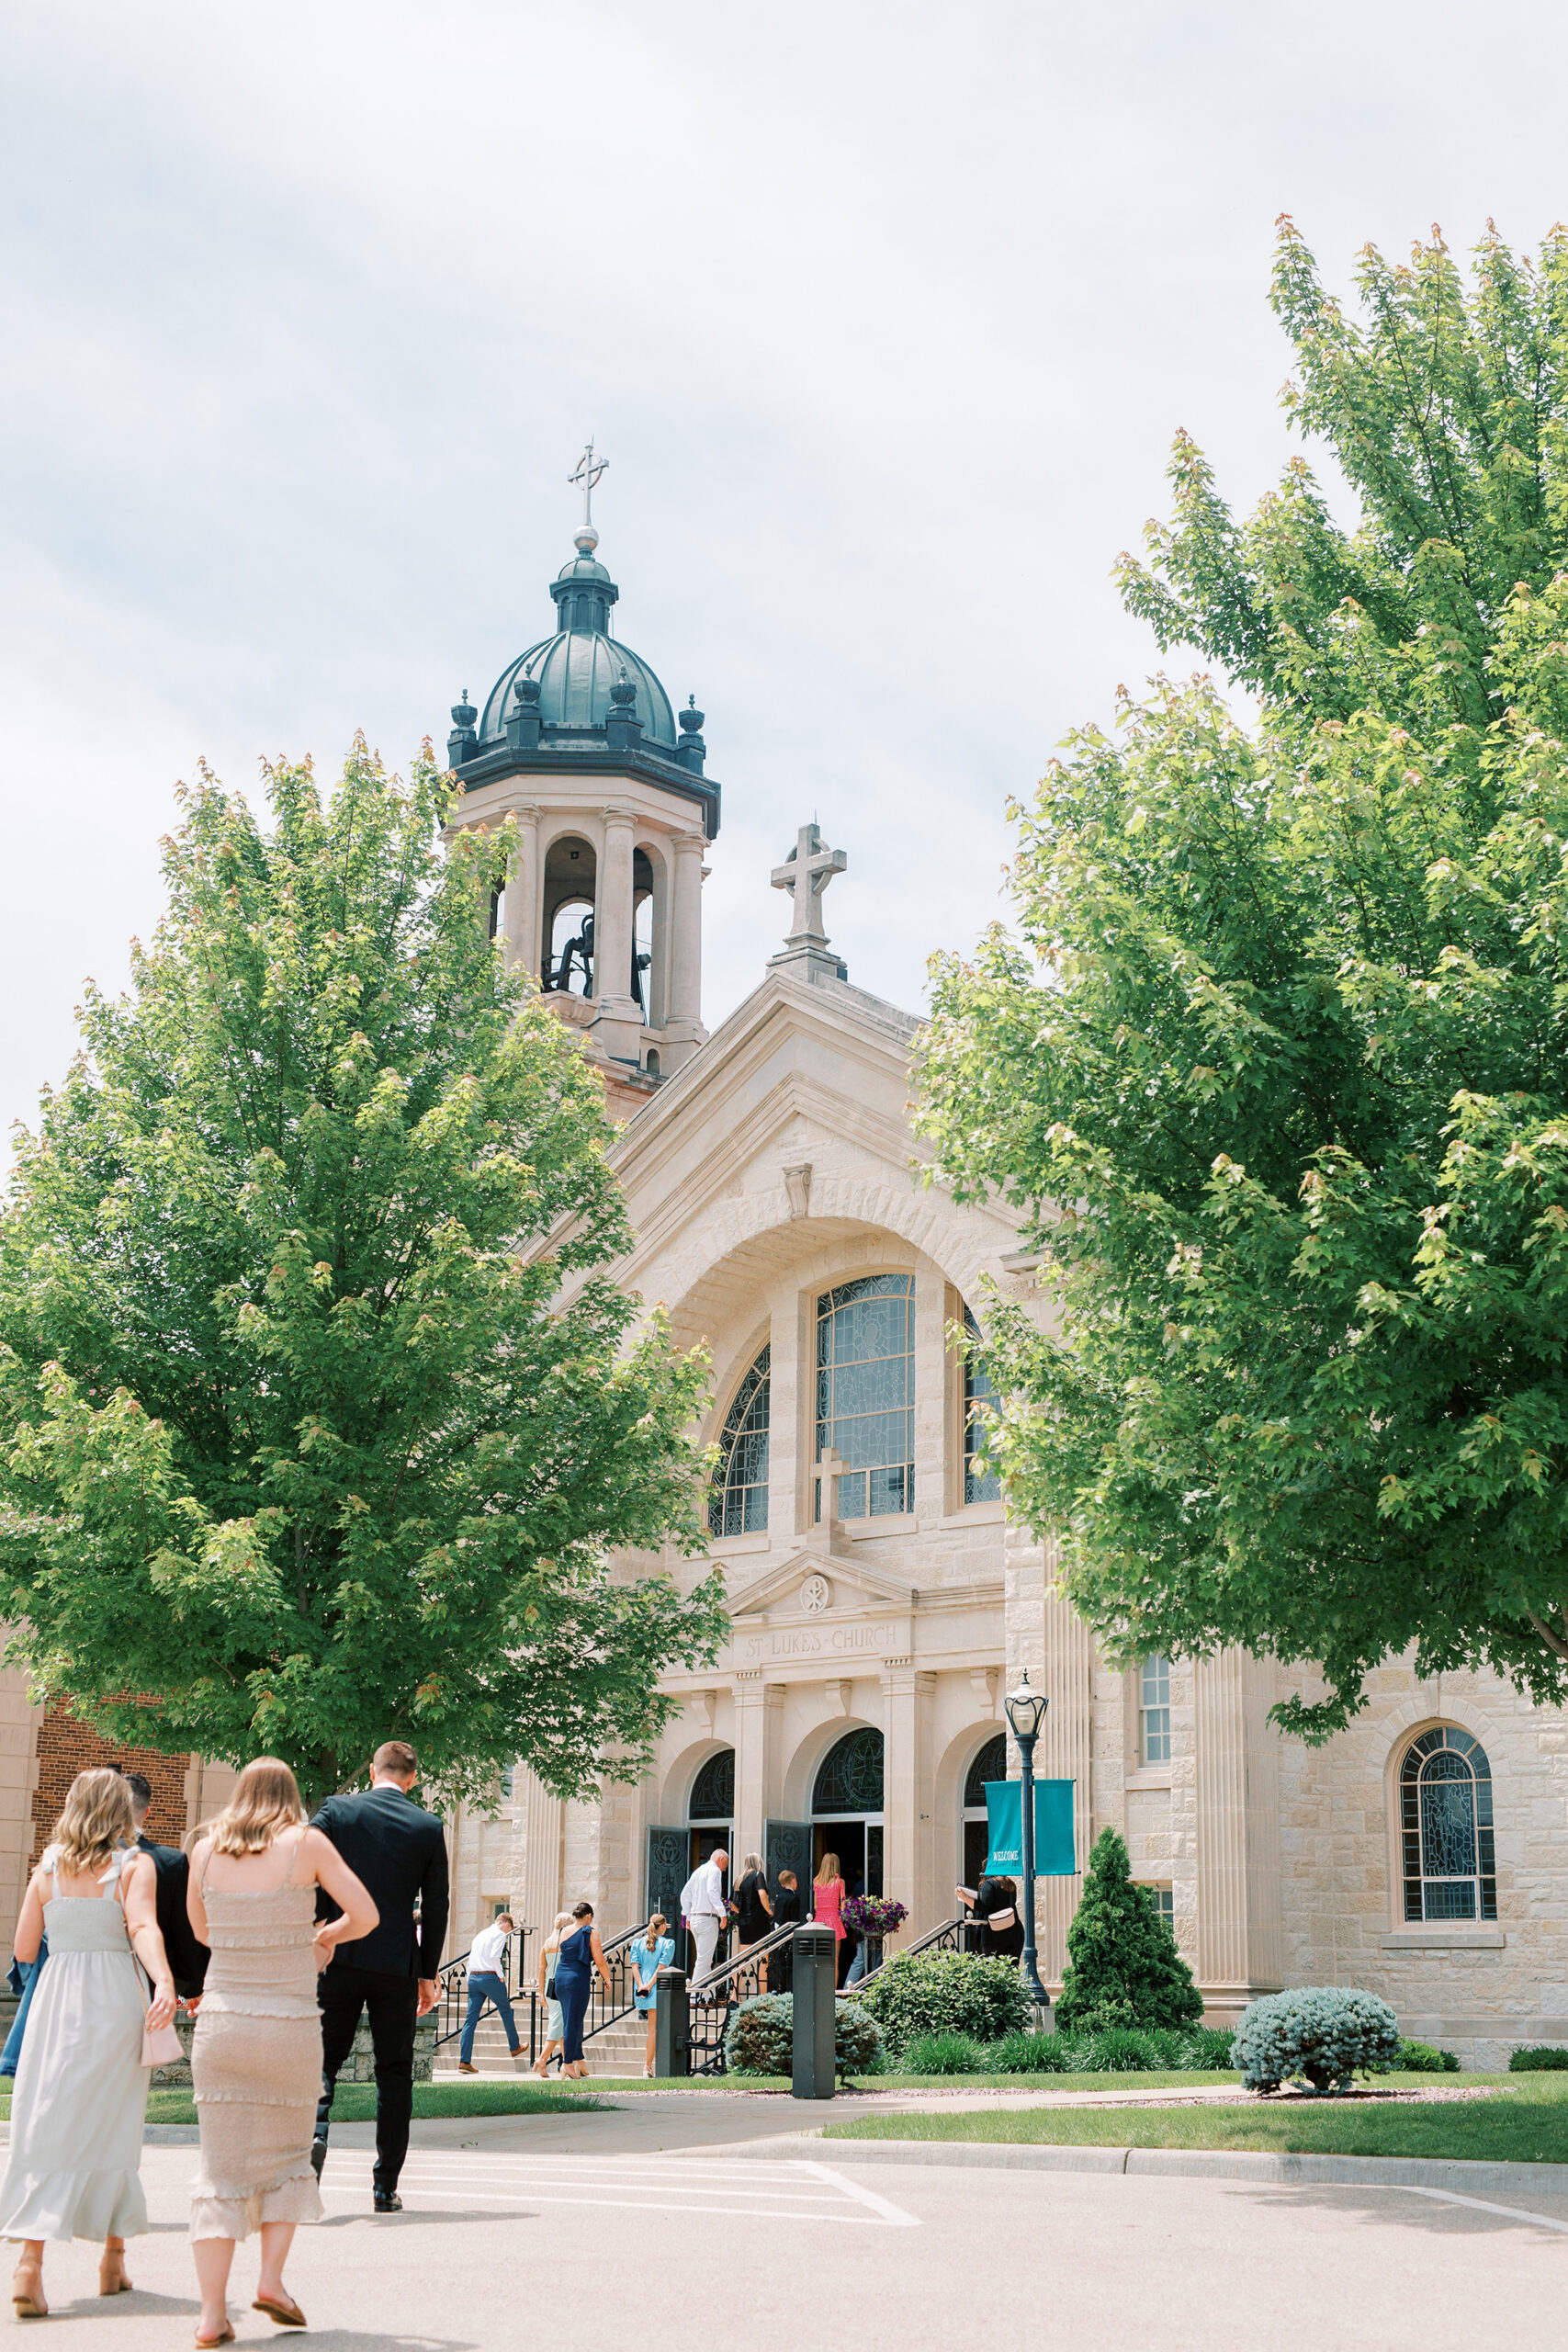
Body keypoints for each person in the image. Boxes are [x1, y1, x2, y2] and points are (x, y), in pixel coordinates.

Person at [186, 1756, 378, 2346]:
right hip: (288, 2025)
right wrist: (320, 1937)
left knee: (220, 2171)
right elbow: (366, 1915)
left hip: (221, 2025)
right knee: (287, 2158)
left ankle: (212, 2317)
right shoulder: (307, 1843)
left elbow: (201, 1932)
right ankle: (271, 2280)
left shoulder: (204, 1850)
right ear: (289, 1795)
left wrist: (247, 1943)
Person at [0, 1767, 175, 2319]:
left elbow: (25, 1949)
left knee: (48, 2117)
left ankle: (30, 2263)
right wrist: (165, 1981)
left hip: (56, 2003)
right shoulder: (133, 1866)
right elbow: (143, 1928)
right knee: (114, 2121)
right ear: (123, 1810)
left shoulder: (46, 1869)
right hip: (112, 2002)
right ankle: (111, 2258)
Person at [310, 1738, 449, 2214]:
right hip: (395, 1966)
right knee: (394, 2076)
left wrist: (320, 1928)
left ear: (373, 1770)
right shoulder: (428, 1827)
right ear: (412, 1778)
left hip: (338, 1955)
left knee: (322, 2063)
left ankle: (311, 2142)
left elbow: (304, 1868)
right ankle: (385, 2186)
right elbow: (436, 1906)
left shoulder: (336, 1811)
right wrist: (426, 1973)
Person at [123, 1770, 210, 2005]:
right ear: (147, 1812)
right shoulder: (170, 1862)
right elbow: (184, 1933)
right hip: (151, 1990)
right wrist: (193, 1987)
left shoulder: (81, 1860)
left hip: (86, 1984)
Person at [456, 1912, 522, 2074]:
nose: (507, 1934)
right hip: (490, 1978)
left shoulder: (480, 1935)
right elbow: (494, 1957)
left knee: (470, 2020)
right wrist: (501, 1976)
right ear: (506, 1925)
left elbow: (470, 1960)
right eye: (508, 1931)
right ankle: (515, 2047)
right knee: (506, 2010)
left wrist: (470, 1980)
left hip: (474, 1978)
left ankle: (464, 2061)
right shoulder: (499, 1934)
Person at [552, 1901, 612, 2079]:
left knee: (574, 2019)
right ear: (587, 1916)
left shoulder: (564, 1931)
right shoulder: (590, 1932)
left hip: (561, 1977)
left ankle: (578, 2058)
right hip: (577, 1979)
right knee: (573, 2022)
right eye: (591, 1917)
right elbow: (599, 1960)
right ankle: (567, 2062)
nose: (592, 1921)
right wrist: (607, 1978)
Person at [628, 1911, 675, 2076]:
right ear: (662, 1926)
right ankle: (647, 2066)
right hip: (657, 1988)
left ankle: (649, 2065)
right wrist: (649, 1985)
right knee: (655, 2028)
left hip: (644, 1988)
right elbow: (661, 1967)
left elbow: (635, 1966)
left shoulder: (637, 1943)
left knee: (652, 2028)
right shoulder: (668, 1943)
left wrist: (641, 1985)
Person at [678, 1847, 729, 1991]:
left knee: (705, 1960)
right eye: (725, 1865)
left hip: (695, 1919)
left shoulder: (698, 1871)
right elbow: (712, 1892)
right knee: (703, 1960)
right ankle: (694, 1995)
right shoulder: (715, 1870)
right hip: (707, 1919)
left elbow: (685, 1894)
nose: (725, 1869)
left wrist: (687, 1916)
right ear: (720, 1859)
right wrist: (722, 1913)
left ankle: (706, 1996)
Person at [532, 1911, 572, 2077]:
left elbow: (542, 1969)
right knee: (557, 2024)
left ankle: (567, 2062)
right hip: (563, 1986)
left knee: (560, 2025)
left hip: (549, 1988)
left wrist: (541, 1993)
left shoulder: (548, 1942)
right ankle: (542, 2059)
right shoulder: (567, 1942)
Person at [731, 1853, 773, 1988]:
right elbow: (762, 1894)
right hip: (759, 1921)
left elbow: (733, 1905)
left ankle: (734, 1994)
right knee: (763, 1958)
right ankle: (762, 1993)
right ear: (758, 1862)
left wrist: (743, 1913)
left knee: (742, 1959)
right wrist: (769, 1911)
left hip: (744, 1922)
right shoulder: (758, 1875)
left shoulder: (739, 1879)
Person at [956, 1875, 1025, 1958]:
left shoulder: (988, 1884)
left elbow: (983, 1906)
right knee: (1012, 1967)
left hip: (994, 1934)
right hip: (1015, 1931)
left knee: (993, 1967)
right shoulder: (1009, 1883)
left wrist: (964, 1897)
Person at [813, 1851, 847, 1984]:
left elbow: (815, 1906)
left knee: (820, 1959)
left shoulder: (816, 1881)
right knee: (834, 1960)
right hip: (834, 1921)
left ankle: (819, 1988)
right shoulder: (840, 1882)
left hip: (819, 1921)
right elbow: (843, 1907)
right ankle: (832, 1992)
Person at [770, 1869, 802, 1995]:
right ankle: (789, 1989)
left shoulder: (779, 1897)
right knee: (790, 1963)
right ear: (793, 1881)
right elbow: (794, 1920)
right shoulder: (794, 1898)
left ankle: (779, 1987)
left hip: (779, 1933)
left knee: (781, 1962)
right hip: (789, 1935)